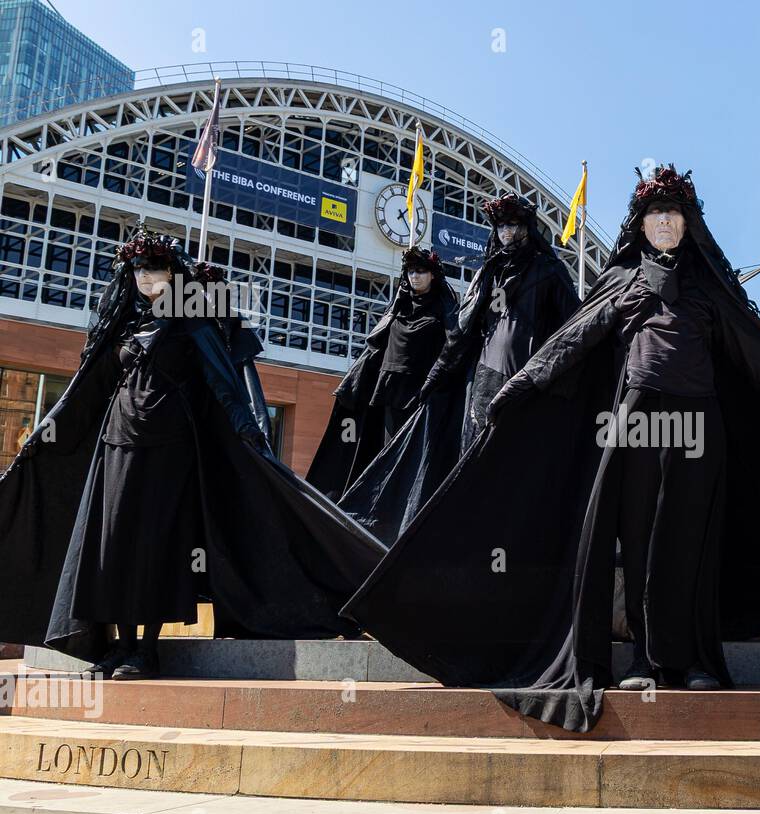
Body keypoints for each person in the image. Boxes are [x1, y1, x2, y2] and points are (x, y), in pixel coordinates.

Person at [344, 165, 760, 732]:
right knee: (643, 539)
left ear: (689, 222)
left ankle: (696, 659)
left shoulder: (709, 291)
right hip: (634, 426)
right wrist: (521, 384)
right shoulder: (620, 282)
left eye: (675, 214)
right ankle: (647, 660)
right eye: (655, 214)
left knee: (692, 542)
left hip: (701, 426)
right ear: (641, 224)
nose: (666, 223)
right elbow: (572, 343)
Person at [0, 226, 385, 678]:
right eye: (140, 271)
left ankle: (146, 649)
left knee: (156, 548)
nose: (147, 280)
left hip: (170, 450)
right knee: (112, 546)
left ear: (172, 273)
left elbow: (222, 379)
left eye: (156, 271)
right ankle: (118, 647)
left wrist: (245, 426)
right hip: (117, 447)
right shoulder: (122, 323)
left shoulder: (191, 318)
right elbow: (89, 389)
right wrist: (46, 434)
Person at [418, 193, 579, 452]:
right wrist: (437, 374)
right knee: (474, 455)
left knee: (516, 457)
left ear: (527, 228)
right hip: (484, 377)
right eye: (501, 225)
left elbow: (574, 326)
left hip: (527, 379)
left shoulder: (549, 270)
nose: (506, 231)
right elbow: (463, 331)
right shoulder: (490, 273)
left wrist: (544, 374)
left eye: (512, 224)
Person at [307, 247, 459, 502]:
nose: (415, 277)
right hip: (389, 391)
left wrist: (435, 382)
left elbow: (454, 347)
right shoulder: (398, 306)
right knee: (385, 452)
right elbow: (375, 346)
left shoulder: (443, 310)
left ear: (433, 275)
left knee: (415, 457)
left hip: (424, 394)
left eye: (421, 271)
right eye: (411, 271)